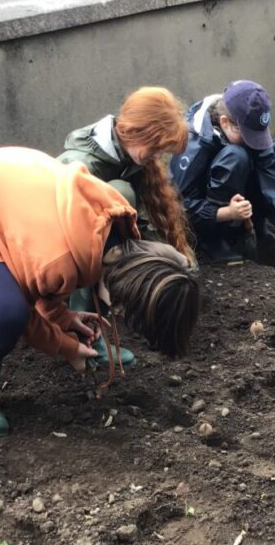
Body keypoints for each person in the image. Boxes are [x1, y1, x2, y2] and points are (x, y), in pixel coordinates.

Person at [0, 146, 199, 437]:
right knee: (4, 312)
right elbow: (26, 312)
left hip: (11, 181)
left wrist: (64, 318)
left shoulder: (117, 237)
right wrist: (66, 347)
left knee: (17, 298)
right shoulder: (58, 259)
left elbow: (43, 281)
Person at [58, 86, 192, 368]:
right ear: (128, 130)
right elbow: (71, 236)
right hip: (65, 246)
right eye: (155, 148)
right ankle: (83, 340)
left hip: (98, 242)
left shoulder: (127, 155)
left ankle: (92, 331)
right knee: (120, 194)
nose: (157, 156)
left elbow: (139, 221)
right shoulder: (80, 166)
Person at [171, 80, 275, 268]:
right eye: (247, 135)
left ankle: (258, 225)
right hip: (209, 210)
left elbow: (272, 176)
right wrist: (225, 213)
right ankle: (216, 239)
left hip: (239, 197)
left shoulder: (246, 120)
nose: (254, 142)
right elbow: (181, 206)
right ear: (225, 122)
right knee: (236, 155)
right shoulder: (193, 142)